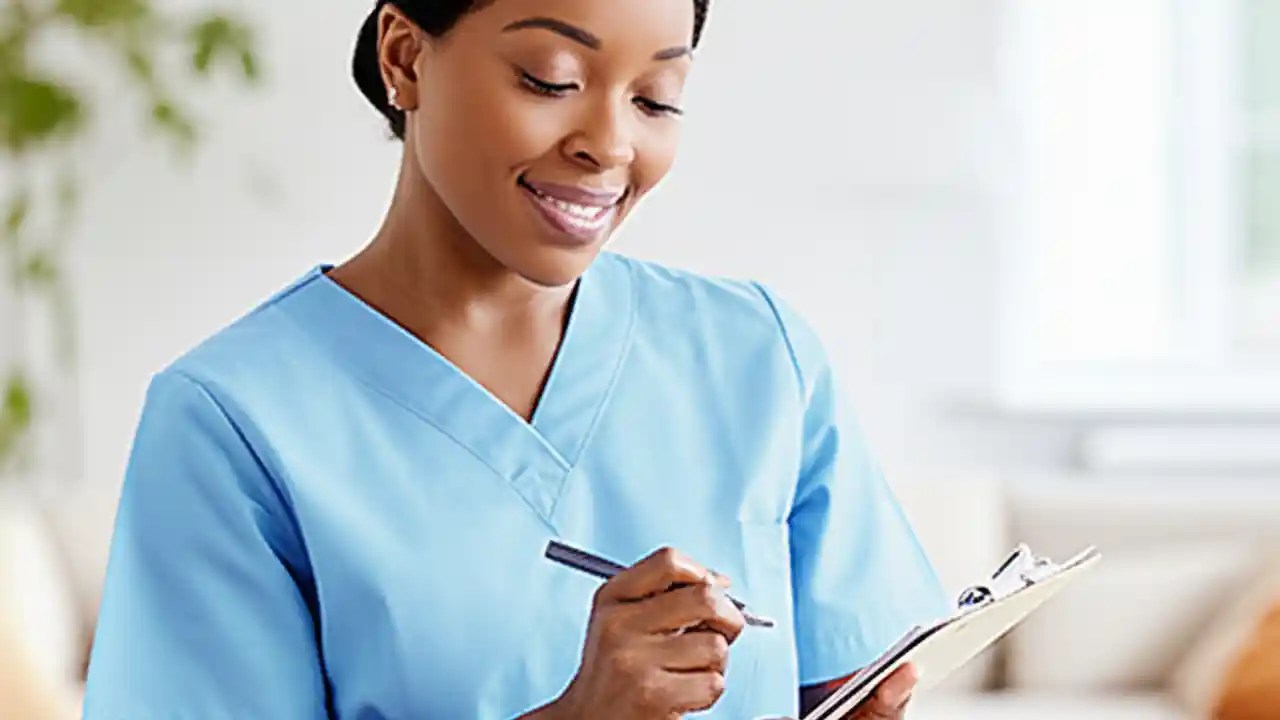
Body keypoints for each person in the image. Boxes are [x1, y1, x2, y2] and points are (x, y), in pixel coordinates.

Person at [82, 1, 949, 718]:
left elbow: (849, 677)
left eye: (655, 98)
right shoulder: (232, 421)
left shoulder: (759, 353)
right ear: (406, 56)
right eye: (551, 81)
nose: (608, 145)